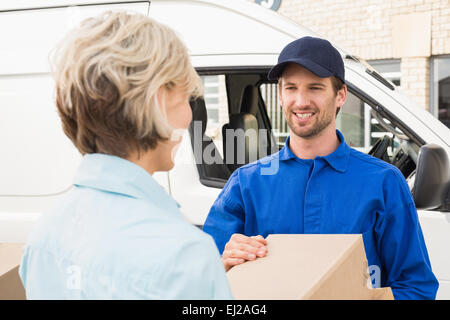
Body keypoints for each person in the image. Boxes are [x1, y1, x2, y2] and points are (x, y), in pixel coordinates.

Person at [203, 36, 439, 300]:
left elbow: (417, 288)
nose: (301, 101)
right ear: (280, 95)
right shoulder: (246, 184)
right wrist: (222, 266)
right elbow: (200, 285)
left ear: (340, 96)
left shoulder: (383, 182)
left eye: (315, 88)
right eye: (291, 88)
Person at [19, 11, 233, 299]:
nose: (189, 118)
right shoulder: (185, 253)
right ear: (156, 103)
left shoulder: (43, 236)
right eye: (185, 100)